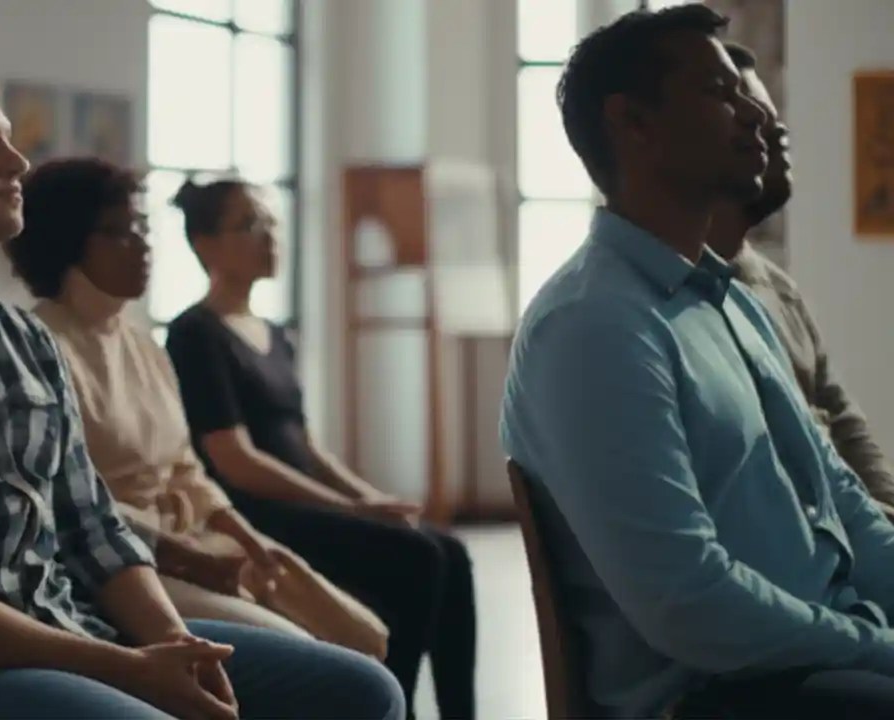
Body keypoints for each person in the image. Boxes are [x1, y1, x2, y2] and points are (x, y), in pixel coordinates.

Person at [0, 60, 404, 720]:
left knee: (362, 692)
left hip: (71, 636)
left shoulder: (23, 342)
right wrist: (128, 669)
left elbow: (94, 531)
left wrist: (172, 645)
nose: (17, 162)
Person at [501, 6, 894, 718]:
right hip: (716, 693)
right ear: (634, 123)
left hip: (814, 650)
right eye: (719, 91)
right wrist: (874, 643)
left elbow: (844, 501)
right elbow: (688, 603)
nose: (753, 112)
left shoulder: (729, 299)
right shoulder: (592, 326)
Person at [4, 156, 389, 658]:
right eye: (116, 232)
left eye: (142, 225)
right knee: (304, 653)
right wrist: (186, 555)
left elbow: (187, 469)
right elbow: (70, 501)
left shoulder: (143, 345)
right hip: (125, 565)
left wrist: (249, 540)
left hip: (197, 538)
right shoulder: (38, 346)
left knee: (363, 634)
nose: (141, 243)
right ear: (67, 243)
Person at [165, 177, 477, 718]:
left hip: (304, 502)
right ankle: (390, 707)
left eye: (270, 223)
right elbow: (234, 460)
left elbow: (305, 446)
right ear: (205, 245)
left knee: (451, 550)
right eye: (249, 225)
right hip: (255, 511)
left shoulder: (276, 333)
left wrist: (372, 499)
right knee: (420, 557)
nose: (269, 237)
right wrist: (349, 509)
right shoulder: (195, 334)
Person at [707, 43, 894, 517]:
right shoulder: (681, 301)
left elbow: (846, 427)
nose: (776, 127)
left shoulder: (777, 288)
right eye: (752, 112)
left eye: (769, 111)